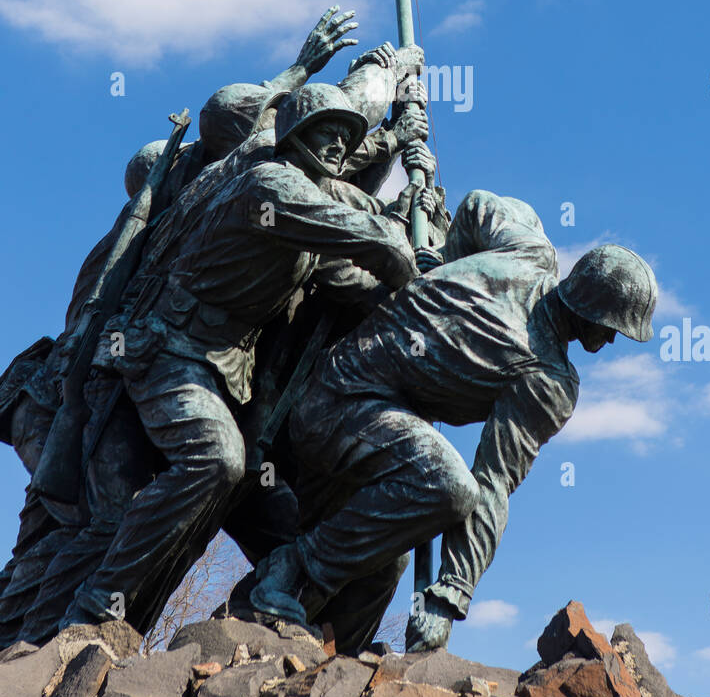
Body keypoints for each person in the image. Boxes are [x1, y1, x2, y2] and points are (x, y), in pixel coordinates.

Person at [54, 83, 424, 637]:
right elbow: (368, 239)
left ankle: (275, 624)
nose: (338, 144)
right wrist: (399, 246)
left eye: (346, 136)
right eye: (326, 130)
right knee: (215, 460)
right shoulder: (269, 184)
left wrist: (423, 249)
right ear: (295, 133)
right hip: (173, 353)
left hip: (235, 389)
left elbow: (358, 283)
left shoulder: (304, 219)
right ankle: (94, 604)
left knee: (306, 535)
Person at [249, 191, 657, 654]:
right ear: (589, 306)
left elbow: (478, 206)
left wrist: (446, 263)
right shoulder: (547, 380)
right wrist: (451, 594)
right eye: (612, 327)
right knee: (448, 487)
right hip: (340, 401)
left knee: (385, 566)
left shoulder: (528, 247)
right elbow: (491, 483)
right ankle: (292, 568)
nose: (611, 341)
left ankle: (321, 655)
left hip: (363, 416)